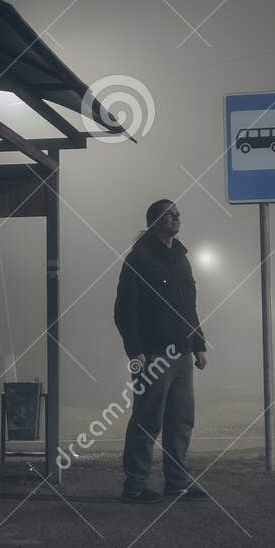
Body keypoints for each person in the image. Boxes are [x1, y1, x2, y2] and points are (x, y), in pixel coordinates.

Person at [112, 199, 209, 503]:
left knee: (181, 421)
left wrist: (199, 344)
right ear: (154, 220)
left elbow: (188, 307)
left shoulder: (181, 259)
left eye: (178, 214)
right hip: (152, 355)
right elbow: (124, 310)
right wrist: (136, 351)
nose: (176, 218)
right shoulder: (139, 259)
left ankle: (177, 484)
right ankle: (135, 486)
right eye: (170, 214)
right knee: (146, 420)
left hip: (181, 354)